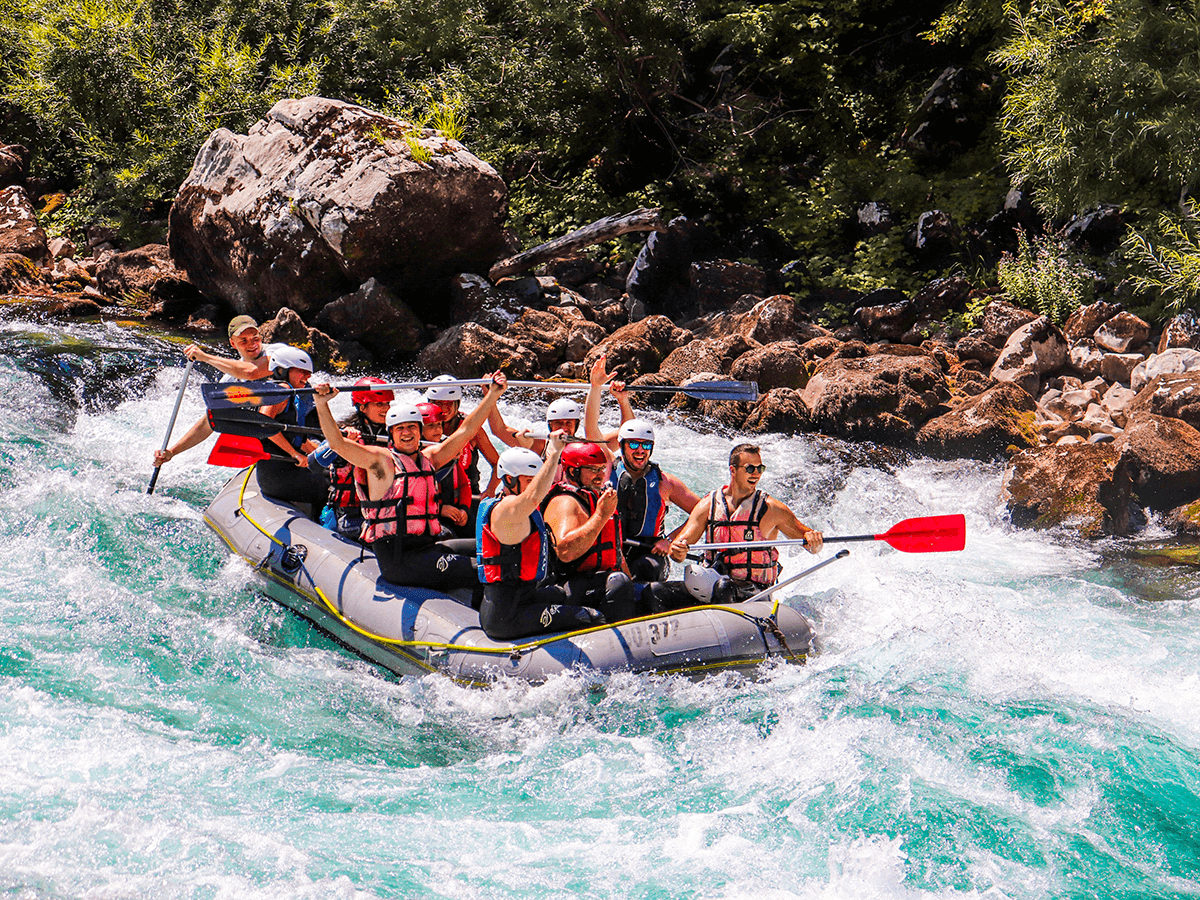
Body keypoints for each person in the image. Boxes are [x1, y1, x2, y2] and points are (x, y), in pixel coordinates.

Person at [311, 373, 508, 592]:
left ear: (419, 430)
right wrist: (322, 404)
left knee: (497, 549)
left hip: (426, 547)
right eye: (400, 428)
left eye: (412, 427)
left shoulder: (430, 458)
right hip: (399, 560)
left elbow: (466, 430)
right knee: (488, 568)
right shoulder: (381, 462)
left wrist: (492, 395)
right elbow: (338, 444)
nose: (407, 433)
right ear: (391, 434)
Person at [476, 438, 607, 640]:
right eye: (530, 481)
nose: (537, 486)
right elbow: (534, 497)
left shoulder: (519, 508)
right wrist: (554, 453)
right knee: (592, 617)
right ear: (509, 480)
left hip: (523, 598)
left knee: (563, 594)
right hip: (508, 617)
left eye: (535, 480)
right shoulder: (506, 510)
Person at [667, 442, 824, 604]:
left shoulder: (772, 509)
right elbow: (679, 546)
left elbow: (811, 545)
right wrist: (678, 550)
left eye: (760, 468)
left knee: (724, 588)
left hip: (755, 592)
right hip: (713, 580)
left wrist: (815, 541)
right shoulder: (709, 505)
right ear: (732, 470)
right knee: (656, 592)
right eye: (750, 468)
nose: (756, 474)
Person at [540, 441, 642, 623]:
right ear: (572, 471)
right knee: (618, 583)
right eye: (593, 470)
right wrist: (601, 516)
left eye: (602, 469)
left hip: (599, 580)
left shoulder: (597, 497)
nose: (601, 475)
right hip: (568, 586)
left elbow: (616, 552)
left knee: (640, 588)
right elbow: (565, 552)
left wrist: (632, 587)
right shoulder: (564, 502)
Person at [152, 315, 272, 467]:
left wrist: (205, 357)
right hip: (268, 439)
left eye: (255, 338)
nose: (252, 344)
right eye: (244, 340)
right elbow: (209, 421)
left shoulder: (275, 354)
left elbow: (251, 372)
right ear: (233, 344)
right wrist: (172, 452)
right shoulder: (230, 381)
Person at [606, 419, 701, 581]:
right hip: (612, 547)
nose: (641, 451)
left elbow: (703, 512)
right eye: (634, 445)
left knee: (647, 569)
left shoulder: (666, 482)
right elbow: (591, 431)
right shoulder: (606, 472)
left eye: (647, 445)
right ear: (621, 446)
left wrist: (670, 540)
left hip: (649, 552)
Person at [310, 377, 393, 537]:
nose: (386, 409)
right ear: (362, 407)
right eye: (380, 404)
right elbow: (314, 463)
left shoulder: (394, 432)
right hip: (347, 513)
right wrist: (342, 444)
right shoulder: (343, 432)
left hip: (383, 510)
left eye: (388, 403)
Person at [255, 346, 329, 513]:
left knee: (331, 474)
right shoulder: (282, 390)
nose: (307, 376)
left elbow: (299, 440)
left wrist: (331, 458)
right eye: (302, 371)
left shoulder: (291, 396)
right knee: (330, 487)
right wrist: (294, 454)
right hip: (277, 477)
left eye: (308, 373)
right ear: (282, 370)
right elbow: (266, 423)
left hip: (280, 473)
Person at [424, 375, 502, 500]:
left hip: (467, 496)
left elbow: (497, 464)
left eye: (449, 403)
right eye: (439, 403)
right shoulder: (419, 425)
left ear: (457, 404)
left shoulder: (474, 430)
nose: (444, 409)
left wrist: (491, 490)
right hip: (432, 496)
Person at [416, 401, 473, 538]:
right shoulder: (414, 458)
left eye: (439, 425)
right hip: (429, 516)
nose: (437, 430)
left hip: (453, 512)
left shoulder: (449, 453)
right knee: (447, 535)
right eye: (430, 426)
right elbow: (413, 499)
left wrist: (464, 509)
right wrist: (440, 509)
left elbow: (464, 484)